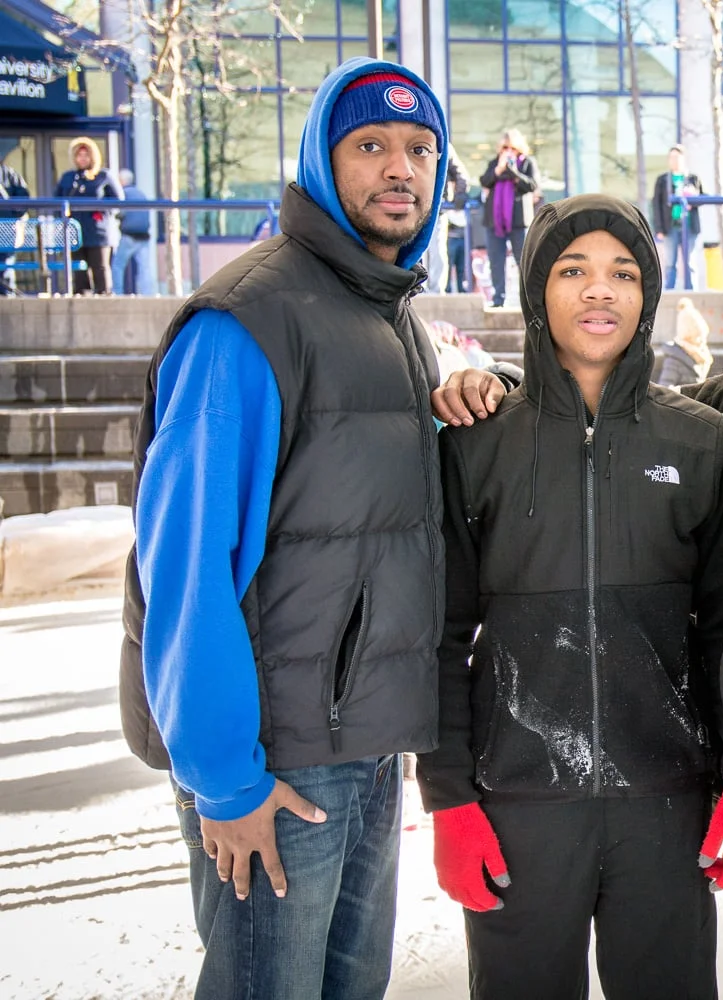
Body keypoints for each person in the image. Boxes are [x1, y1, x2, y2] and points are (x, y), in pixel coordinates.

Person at [120, 57, 451, 999]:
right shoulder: (246, 322)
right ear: (320, 159)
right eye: (371, 145)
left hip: (365, 746)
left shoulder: (388, 314)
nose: (400, 169)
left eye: (420, 149)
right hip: (274, 765)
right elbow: (184, 567)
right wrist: (225, 780)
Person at [414, 193, 723, 1000]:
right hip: (518, 806)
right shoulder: (477, 439)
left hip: (666, 807)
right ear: (538, 291)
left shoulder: (701, 443)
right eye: (574, 271)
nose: (599, 292)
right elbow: (440, 634)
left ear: (648, 294)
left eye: (622, 273)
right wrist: (449, 799)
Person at [54, 137, 123, 294]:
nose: (82, 159)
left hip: (98, 231)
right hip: (74, 231)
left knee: (100, 267)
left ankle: (104, 297)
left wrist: (102, 212)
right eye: (79, 155)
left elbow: (118, 202)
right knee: (79, 271)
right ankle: (81, 296)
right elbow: (57, 200)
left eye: (86, 155)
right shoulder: (69, 178)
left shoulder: (104, 176)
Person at [479, 128, 538, 308]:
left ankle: (529, 300)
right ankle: (498, 299)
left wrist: (512, 172)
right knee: (496, 261)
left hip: (518, 221)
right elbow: (484, 181)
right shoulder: (495, 164)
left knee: (523, 260)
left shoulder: (527, 163)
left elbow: (531, 185)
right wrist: (498, 170)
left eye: (512, 147)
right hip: (495, 221)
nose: (508, 151)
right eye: (504, 147)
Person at [652, 144, 702, 290]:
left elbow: (704, 198)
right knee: (669, 263)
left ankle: (693, 291)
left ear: (683, 159)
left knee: (690, 262)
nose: (674, 160)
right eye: (672, 157)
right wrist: (659, 228)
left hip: (690, 226)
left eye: (677, 157)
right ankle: (670, 291)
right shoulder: (662, 180)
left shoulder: (693, 179)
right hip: (670, 227)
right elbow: (656, 205)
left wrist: (694, 196)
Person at [427, 154, 469, 293]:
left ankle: (436, 290)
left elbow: (462, 176)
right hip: (416, 205)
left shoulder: (444, 146)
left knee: (437, 250)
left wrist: (455, 200)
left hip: (437, 207)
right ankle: (421, 288)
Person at [112, 168, 157, 296]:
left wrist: (116, 218)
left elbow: (121, 213)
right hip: (144, 236)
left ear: (120, 181)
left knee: (117, 265)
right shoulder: (141, 194)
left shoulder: (123, 194)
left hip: (129, 236)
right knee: (144, 268)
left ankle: (118, 292)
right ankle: (147, 294)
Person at [655, 297, 715, 387]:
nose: (702, 341)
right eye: (698, 337)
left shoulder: (701, 358)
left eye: (703, 337)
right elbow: (664, 393)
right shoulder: (674, 361)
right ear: (687, 337)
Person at [1, 157, 30, 296]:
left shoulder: (10, 175)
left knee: (5, 269)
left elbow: (22, 204)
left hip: (6, 233)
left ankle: (7, 298)